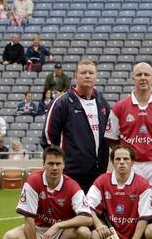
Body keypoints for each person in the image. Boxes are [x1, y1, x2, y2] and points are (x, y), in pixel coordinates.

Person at [3, 146, 92, 239]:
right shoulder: (33, 181)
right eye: (50, 164)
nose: (55, 168)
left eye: (58, 164)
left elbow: (87, 218)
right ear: (43, 164)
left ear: (64, 165)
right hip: (37, 230)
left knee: (84, 233)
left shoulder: (72, 186)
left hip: (61, 233)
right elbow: (29, 219)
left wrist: (58, 226)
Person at [84, 145, 152, 239]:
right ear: (113, 162)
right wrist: (99, 225)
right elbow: (88, 207)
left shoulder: (142, 184)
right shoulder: (102, 181)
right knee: (95, 236)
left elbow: (144, 218)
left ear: (132, 162)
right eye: (118, 159)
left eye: (126, 159)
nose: (122, 162)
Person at [41, 60, 111, 191]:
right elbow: (49, 138)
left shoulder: (102, 102)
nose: (87, 76)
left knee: (96, 212)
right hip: (72, 175)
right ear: (75, 76)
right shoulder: (62, 102)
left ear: (96, 77)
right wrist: (61, 164)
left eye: (91, 73)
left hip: (98, 175)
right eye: (83, 72)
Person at [105, 62, 152, 185]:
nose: (143, 78)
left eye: (146, 74)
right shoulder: (119, 107)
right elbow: (111, 138)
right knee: (129, 202)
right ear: (133, 78)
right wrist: (125, 154)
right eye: (139, 74)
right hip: (131, 165)